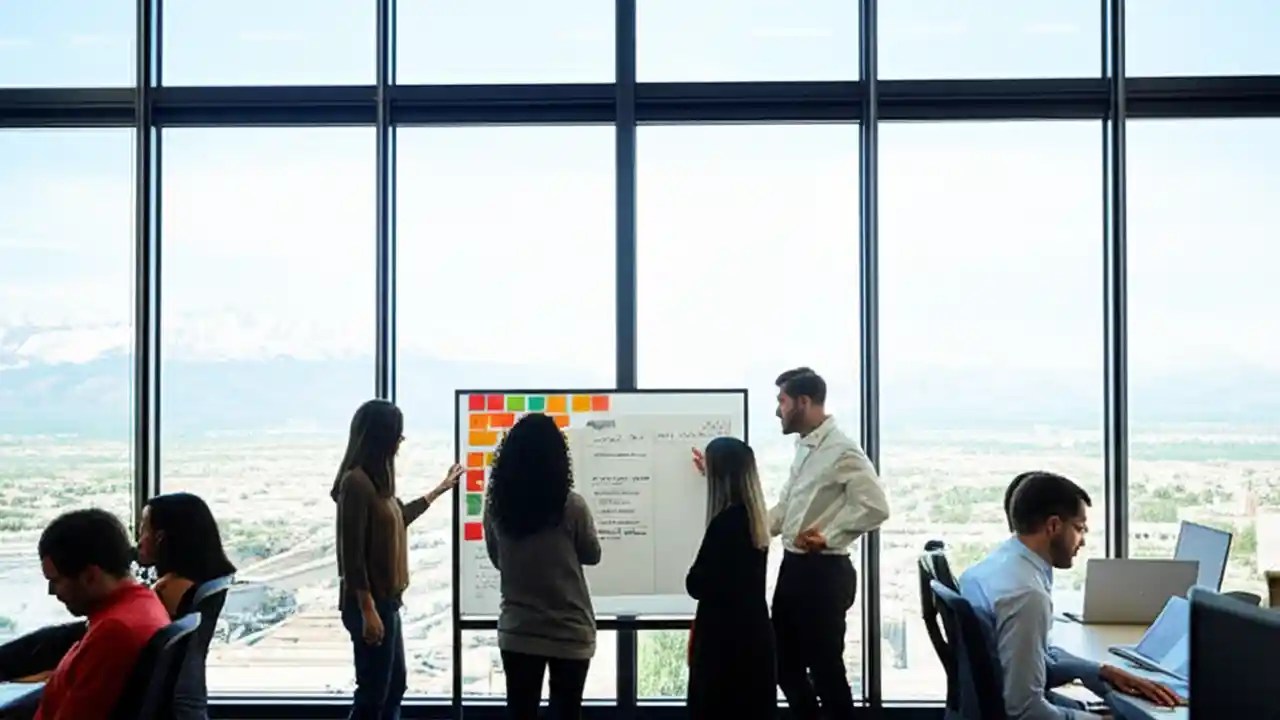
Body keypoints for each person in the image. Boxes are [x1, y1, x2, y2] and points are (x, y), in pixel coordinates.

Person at [959, 471, 1182, 720]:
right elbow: (1024, 711)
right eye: (1079, 528)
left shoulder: (993, 568)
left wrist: (1100, 671)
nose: (1082, 541)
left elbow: (1029, 664)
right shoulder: (1026, 595)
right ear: (1053, 526)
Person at [765, 367, 890, 720]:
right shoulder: (805, 447)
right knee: (784, 666)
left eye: (782, 401)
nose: (778, 410)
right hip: (795, 569)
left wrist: (829, 536)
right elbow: (787, 508)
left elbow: (876, 507)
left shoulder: (841, 450)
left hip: (823, 573)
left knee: (826, 672)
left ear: (803, 402)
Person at [332, 399, 462, 720]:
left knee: (392, 687)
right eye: (397, 436)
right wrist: (367, 609)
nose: (400, 444)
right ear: (381, 438)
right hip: (370, 604)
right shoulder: (356, 483)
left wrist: (439, 490)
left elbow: (398, 517)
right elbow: (352, 554)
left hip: (387, 603)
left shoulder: (379, 485)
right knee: (373, 695)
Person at [483, 413, 601, 720]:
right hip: (570, 631)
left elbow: (497, 559)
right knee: (566, 713)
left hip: (518, 629)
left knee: (520, 713)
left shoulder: (496, 506)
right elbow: (592, 553)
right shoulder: (572, 505)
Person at [34, 508, 172, 720]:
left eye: (56, 581)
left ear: (90, 576)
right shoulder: (143, 603)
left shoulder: (115, 632)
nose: (52, 592)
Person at [685, 437, 777, 720]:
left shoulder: (724, 524)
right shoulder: (754, 519)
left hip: (721, 646)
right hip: (754, 639)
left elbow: (696, 584)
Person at [136, 492, 237, 720]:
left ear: (162, 538)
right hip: (190, 693)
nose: (139, 539)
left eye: (144, 529)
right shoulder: (207, 580)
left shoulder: (169, 590)